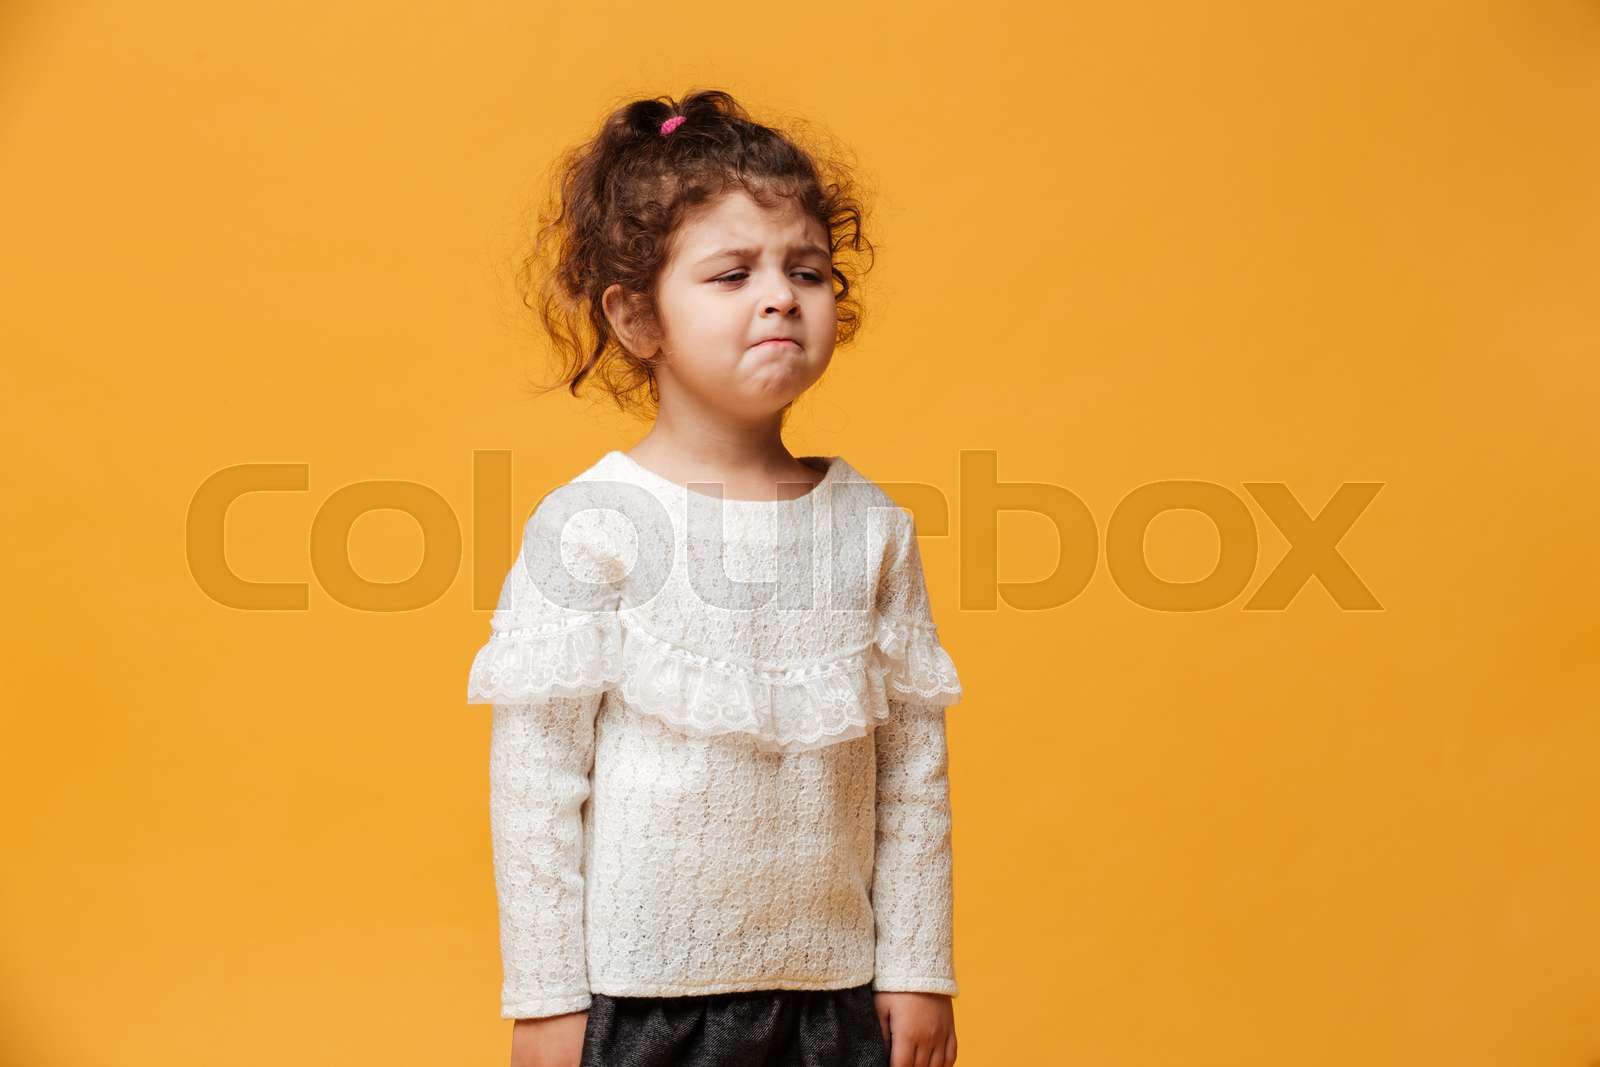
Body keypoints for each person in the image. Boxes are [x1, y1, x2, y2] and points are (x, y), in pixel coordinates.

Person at [467, 89, 963, 1067]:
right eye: (732, 273)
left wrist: (918, 965)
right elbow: (535, 780)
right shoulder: (590, 524)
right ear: (636, 316)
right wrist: (546, 996)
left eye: (806, 270)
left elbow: (914, 773)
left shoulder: (872, 527)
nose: (780, 295)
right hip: (639, 1001)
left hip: (835, 995)